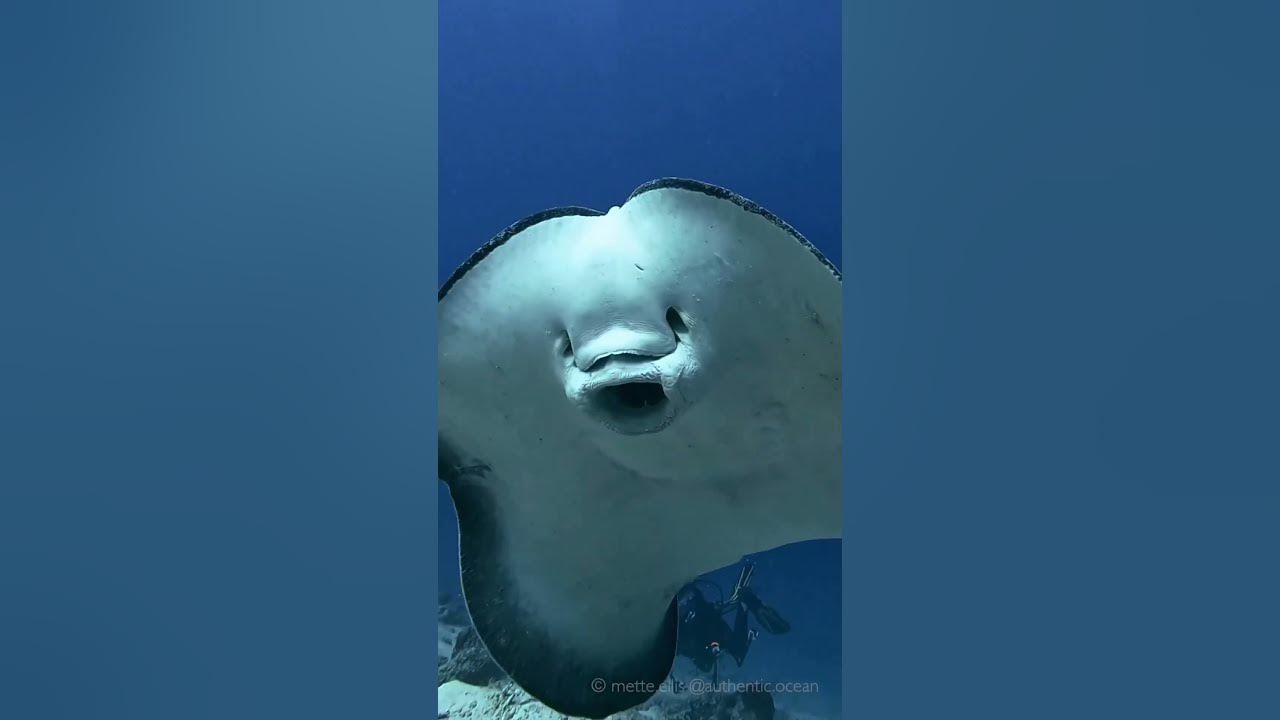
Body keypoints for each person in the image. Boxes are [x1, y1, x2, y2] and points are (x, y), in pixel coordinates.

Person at [675, 561, 792, 677]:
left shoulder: (697, 647)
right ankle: (745, 603)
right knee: (734, 652)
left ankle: (744, 604)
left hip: (703, 632)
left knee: (731, 653)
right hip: (707, 631)